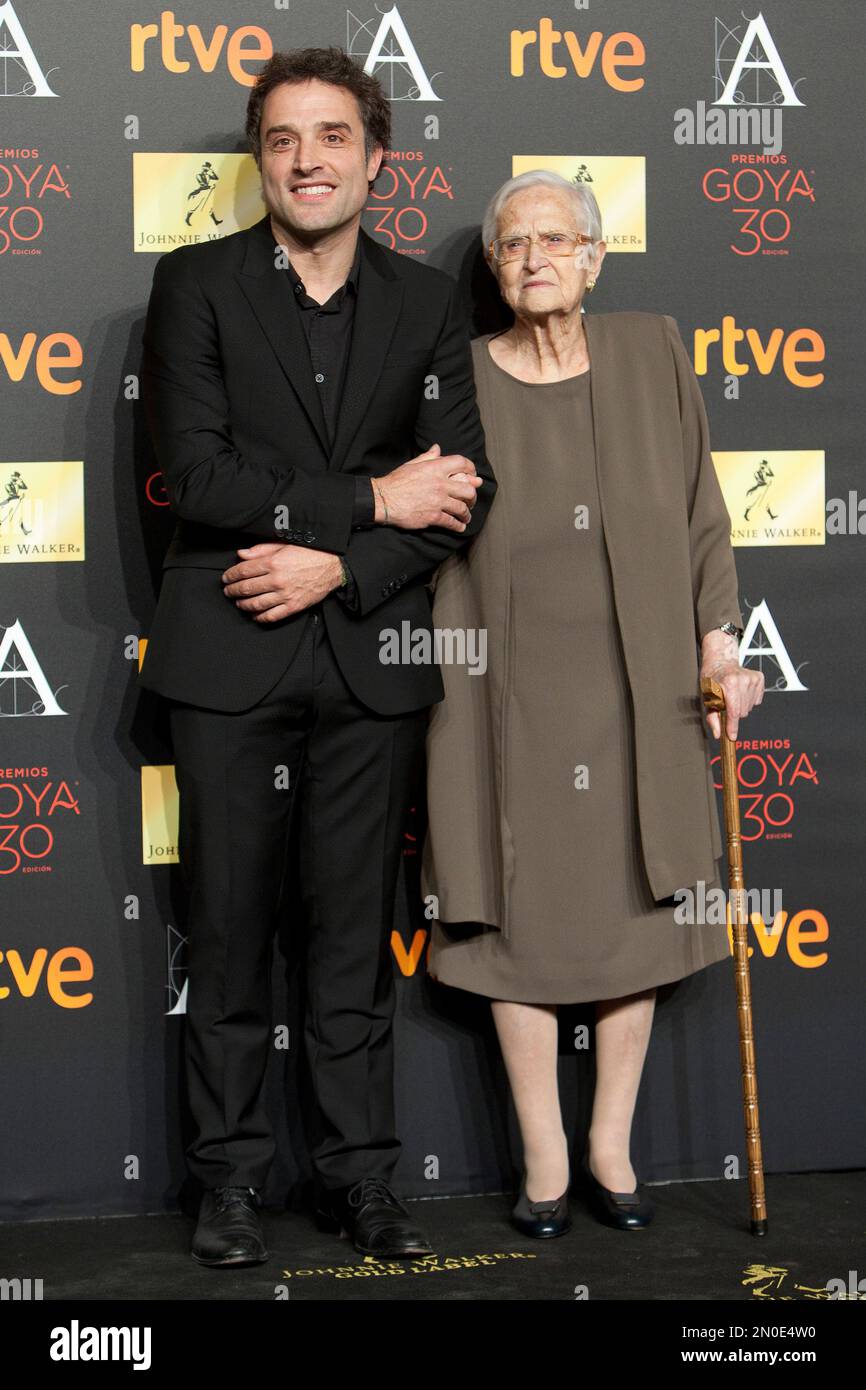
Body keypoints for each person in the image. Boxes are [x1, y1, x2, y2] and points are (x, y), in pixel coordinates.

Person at [138, 46, 495, 1266]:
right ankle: (229, 1183)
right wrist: (370, 501)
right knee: (227, 936)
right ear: (259, 158)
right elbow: (199, 476)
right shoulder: (193, 284)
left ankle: (360, 1180)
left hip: (366, 655)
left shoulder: (426, 302)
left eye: (332, 136)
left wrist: (340, 566)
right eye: (283, 139)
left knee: (352, 943)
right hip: (228, 651)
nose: (307, 160)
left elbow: (462, 491)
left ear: (374, 157)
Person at [421, 170, 763, 1239]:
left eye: (555, 240)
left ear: (594, 258)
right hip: (498, 690)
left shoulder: (650, 351)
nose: (534, 260)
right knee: (513, 913)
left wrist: (718, 645)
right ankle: (543, 1157)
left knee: (632, 910)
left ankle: (610, 1148)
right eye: (512, 245)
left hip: (640, 687)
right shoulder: (459, 380)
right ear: (494, 268)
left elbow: (702, 516)